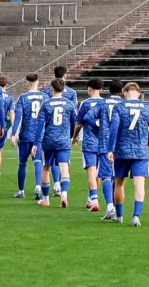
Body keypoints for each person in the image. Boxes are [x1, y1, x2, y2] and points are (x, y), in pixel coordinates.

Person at [107, 80, 149, 227]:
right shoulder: (147, 108)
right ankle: (136, 216)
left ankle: (119, 215)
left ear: (124, 93)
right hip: (140, 152)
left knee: (118, 183)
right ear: (139, 93)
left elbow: (113, 129)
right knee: (139, 185)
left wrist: (110, 149)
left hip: (121, 151)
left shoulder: (119, 107)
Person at [37, 70, 79, 208]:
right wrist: (74, 136)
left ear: (52, 88)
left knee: (46, 168)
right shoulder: (69, 104)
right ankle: (64, 195)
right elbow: (74, 122)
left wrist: (36, 142)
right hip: (63, 140)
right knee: (64, 168)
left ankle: (46, 199)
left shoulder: (46, 104)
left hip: (49, 140)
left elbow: (40, 125)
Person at [11, 72, 50, 198]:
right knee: (38, 161)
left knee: (22, 163)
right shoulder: (45, 97)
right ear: (38, 82)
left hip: (25, 134)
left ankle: (21, 191)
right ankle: (38, 186)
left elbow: (18, 117)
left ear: (27, 83)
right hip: (40, 136)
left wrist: (13, 133)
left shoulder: (23, 97)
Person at [77, 78, 114, 213]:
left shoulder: (85, 104)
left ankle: (94, 198)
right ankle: (91, 197)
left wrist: (74, 136)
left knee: (91, 170)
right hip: (104, 142)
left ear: (89, 89)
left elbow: (80, 122)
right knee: (99, 172)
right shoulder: (106, 103)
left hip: (89, 142)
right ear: (102, 89)